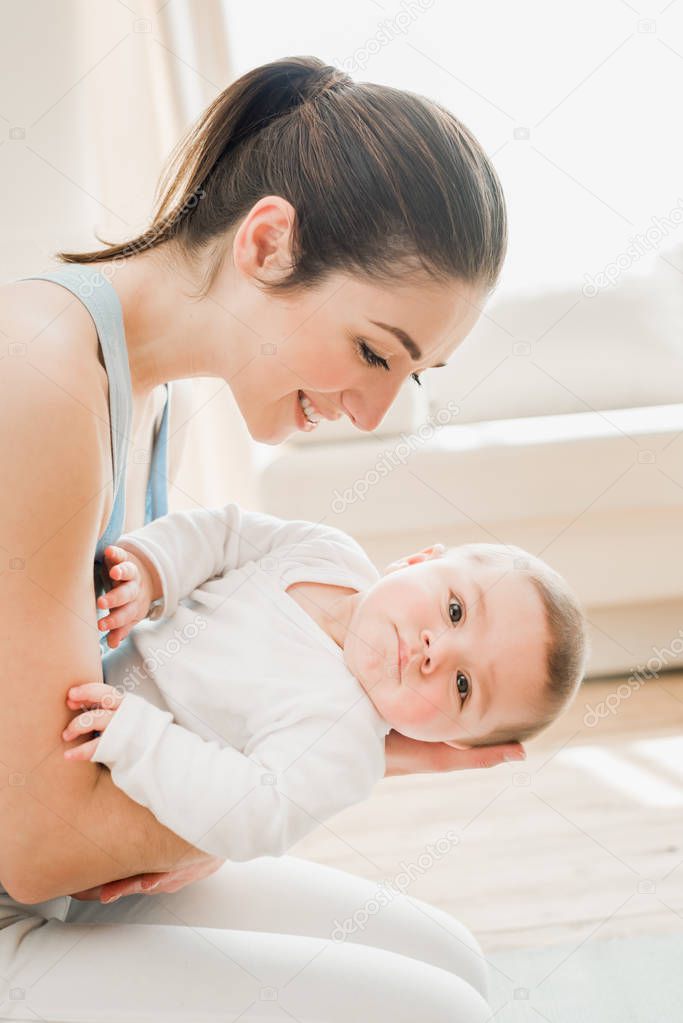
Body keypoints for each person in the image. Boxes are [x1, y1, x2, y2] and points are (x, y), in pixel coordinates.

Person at [1, 55, 519, 1020]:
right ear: (269, 241)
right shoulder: (43, 374)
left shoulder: (143, 396)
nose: (369, 412)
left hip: (35, 885)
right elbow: (40, 838)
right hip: (19, 885)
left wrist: (355, 734)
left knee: (451, 963)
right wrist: (257, 807)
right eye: (374, 350)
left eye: (405, 376)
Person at [61, 503, 587, 864]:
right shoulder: (325, 552)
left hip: (91, 753)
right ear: (421, 560)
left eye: (464, 687)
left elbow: (252, 815)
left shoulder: (345, 748)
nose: (437, 652)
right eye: (455, 610)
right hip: (82, 651)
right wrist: (154, 571)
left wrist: (136, 737)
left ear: (450, 741)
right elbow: (223, 535)